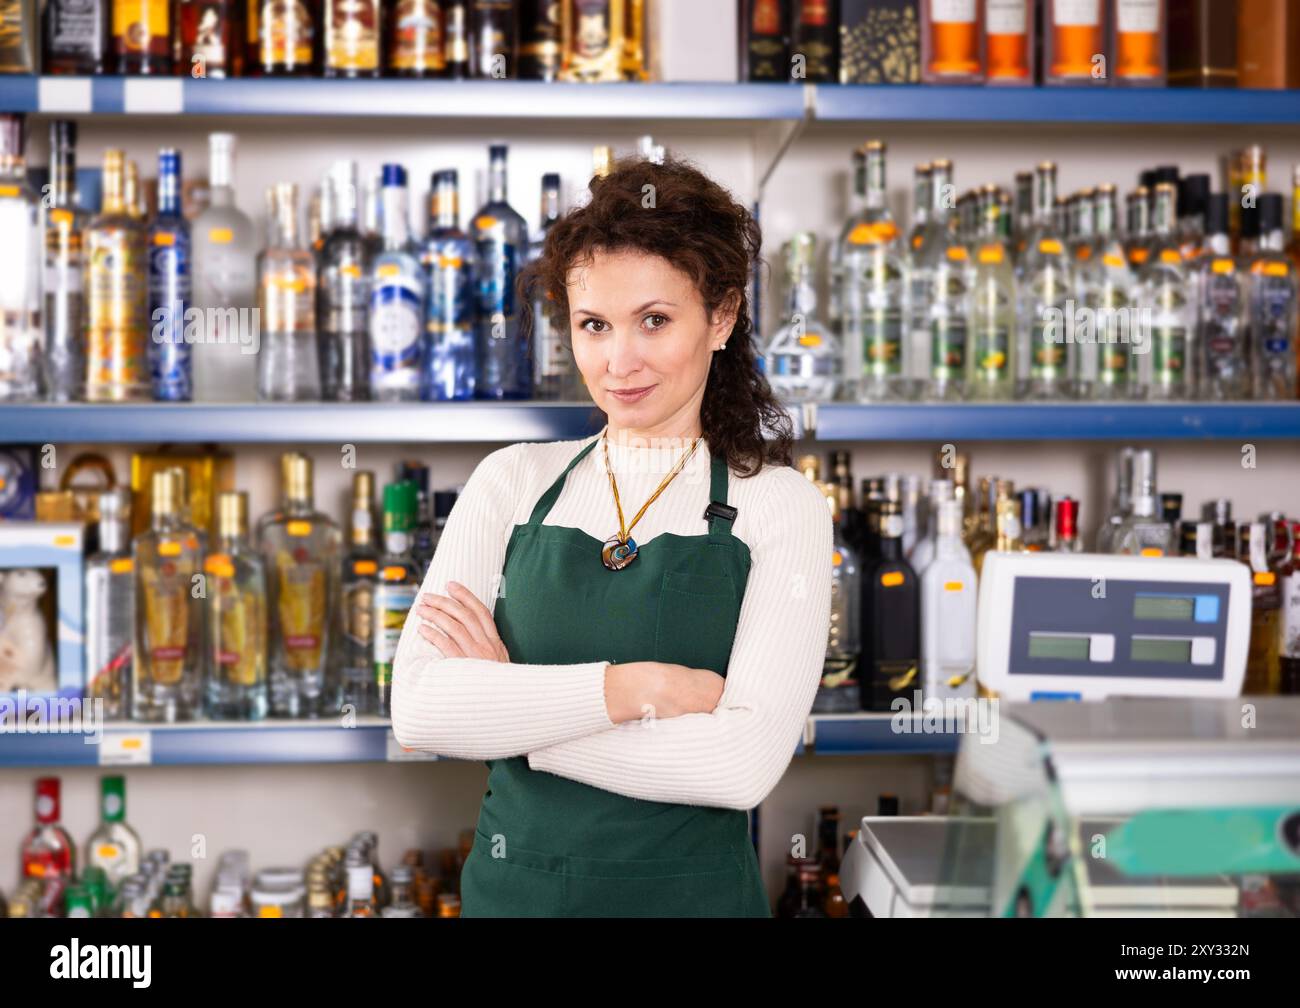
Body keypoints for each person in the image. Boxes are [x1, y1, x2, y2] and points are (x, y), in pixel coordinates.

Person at [390, 154, 832, 917]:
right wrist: (636, 689)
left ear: (721, 317)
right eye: (594, 325)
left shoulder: (779, 504)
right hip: (512, 900)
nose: (618, 362)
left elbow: (738, 766)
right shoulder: (512, 481)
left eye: (654, 321)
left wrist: (511, 722)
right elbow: (422, 710)